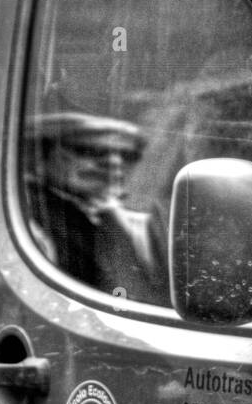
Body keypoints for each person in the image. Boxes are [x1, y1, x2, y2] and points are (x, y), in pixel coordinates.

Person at [24, 105, 167, 305]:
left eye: (127, 155)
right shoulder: (30, 215)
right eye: (92, 150)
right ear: (39, 156)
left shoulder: (108, 212)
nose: (114, 163)